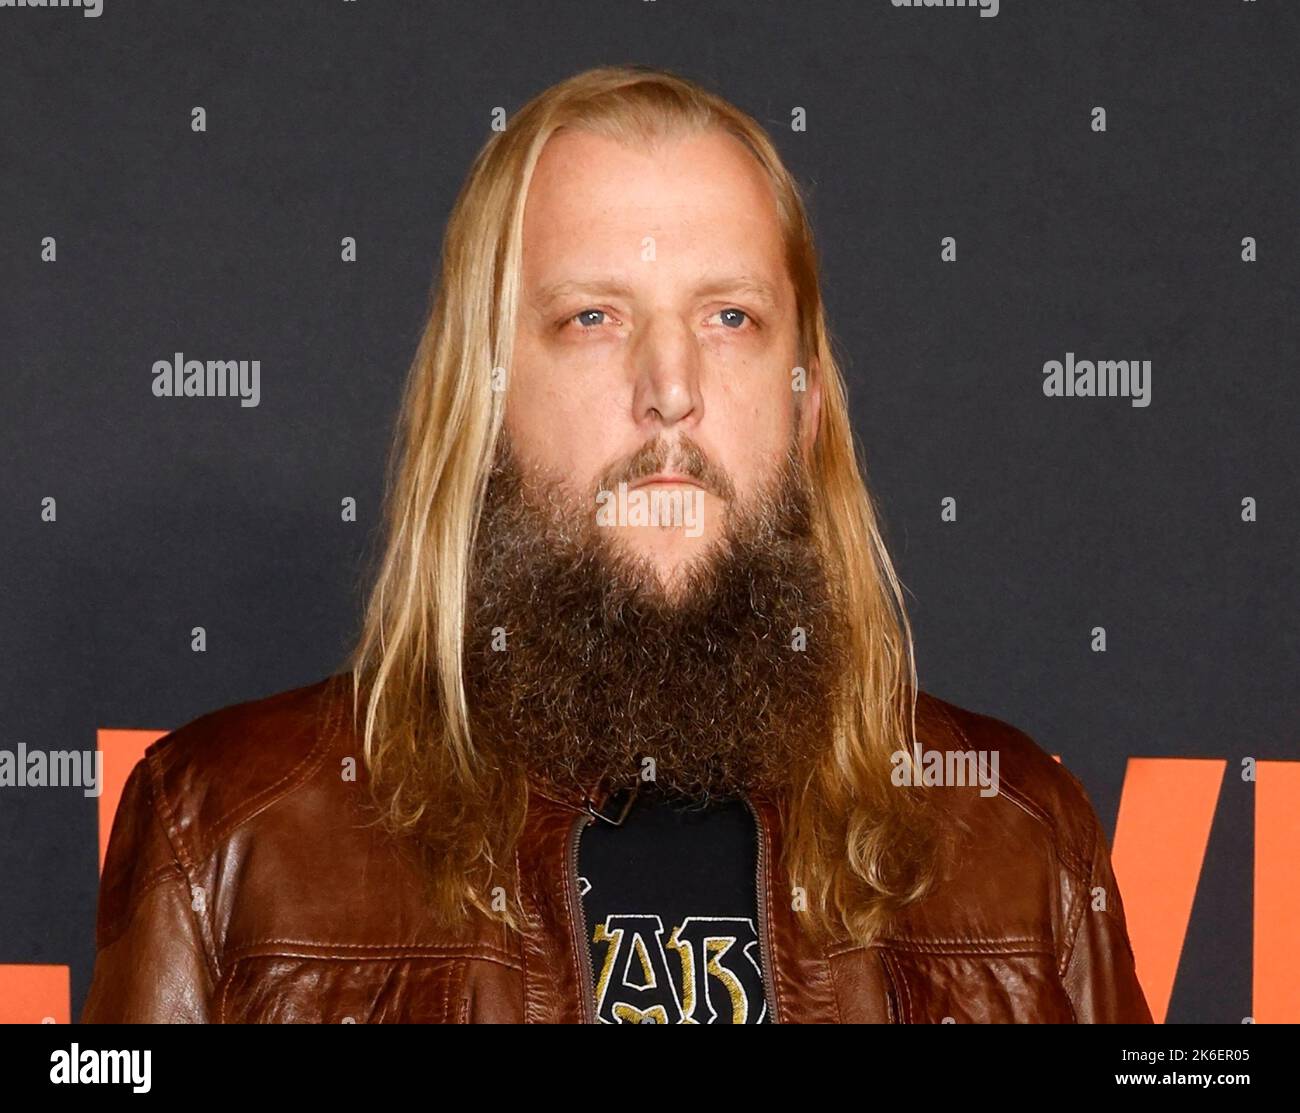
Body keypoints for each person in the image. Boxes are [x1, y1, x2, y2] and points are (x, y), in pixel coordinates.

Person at [82, 64, 1152, 1024]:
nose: (671, 392)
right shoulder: (225, 834)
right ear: (482, 398)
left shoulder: (1017, 836)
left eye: (729, 318)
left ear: (807, 400)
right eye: (593, 317)